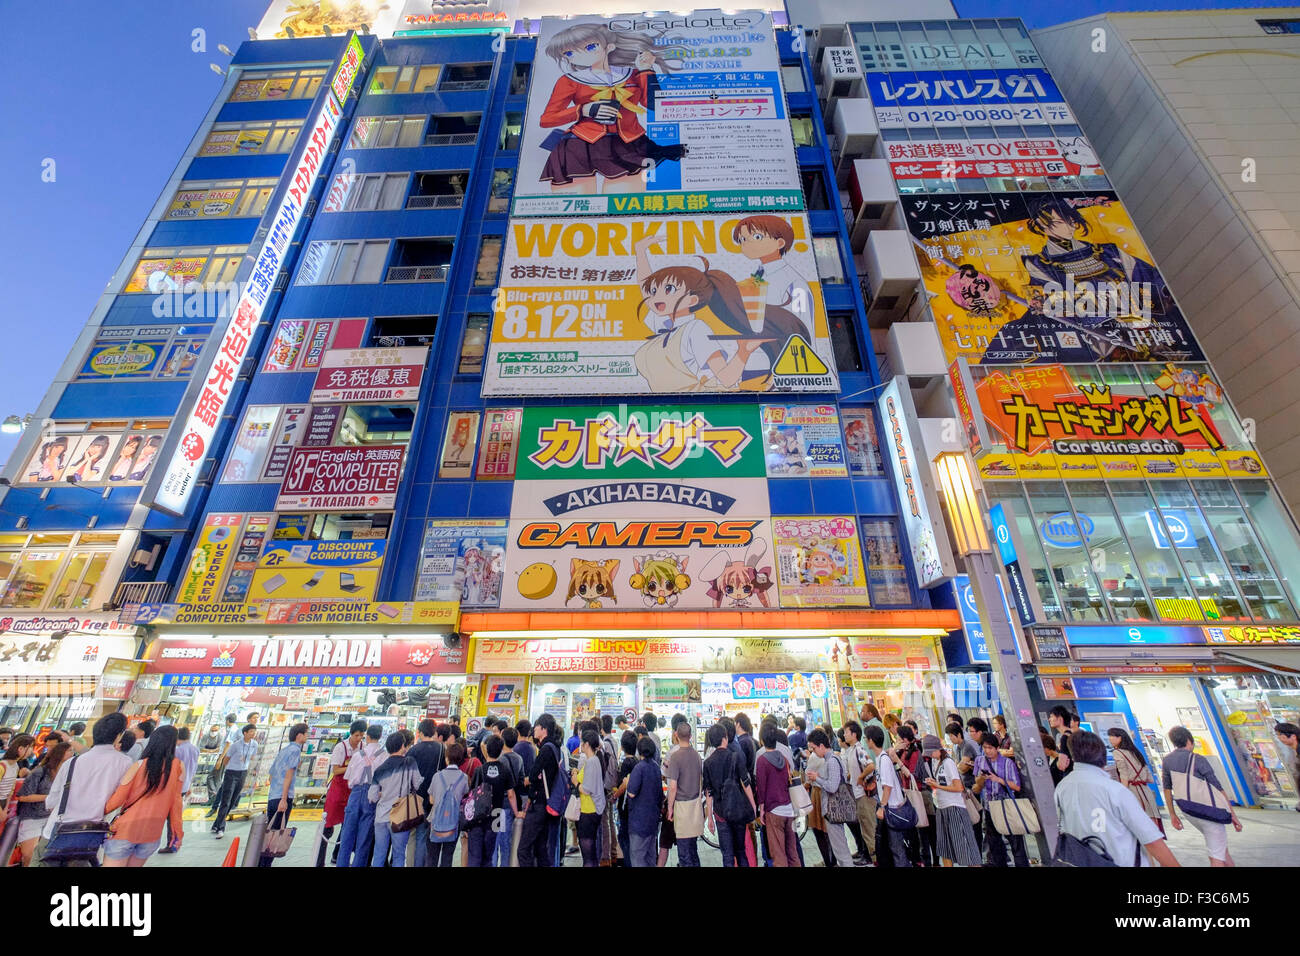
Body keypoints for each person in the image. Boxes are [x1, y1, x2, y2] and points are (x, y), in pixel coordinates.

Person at [1057, 732, 1180, 867]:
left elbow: (1061, 827)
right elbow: (1152, 841)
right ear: (1103, 757)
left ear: (1073, 757)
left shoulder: (1062, 787)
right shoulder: (1113, 789)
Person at [36, 713, 131, 866]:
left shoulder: (72, 762)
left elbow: (52, 799)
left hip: (56, 832)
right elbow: (120, 800)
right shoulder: (125, 763)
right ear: (119, 736)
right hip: (88, 836)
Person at [103, 725, 184, 867]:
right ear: (173, 743)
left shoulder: (139, 765)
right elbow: (176, 803)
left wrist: (97, 813)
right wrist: (177, 832)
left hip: (126, 830)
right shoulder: (178, 767)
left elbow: (117, 800)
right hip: (152, 833)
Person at [1161, 725, 1241, 867]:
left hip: (1188, 810)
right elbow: (1217, 787)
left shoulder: (1167, 760)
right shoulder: (1197, 759)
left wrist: (1172, 814)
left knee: (1221, 850)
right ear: (1189, 740)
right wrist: (1232, 814)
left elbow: (1167, 788)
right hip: (1208, 810)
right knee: (1216, 856)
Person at [922, 734, 982, 867]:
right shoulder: (936, 762)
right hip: (942, 808)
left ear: (938, 749)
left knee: (966, 848)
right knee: (944, 848)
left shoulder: (948, 762)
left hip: (955, 808)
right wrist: (934, 783)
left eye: (931, 752)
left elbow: (958, 787)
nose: (930, 755)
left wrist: (937, 785)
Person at [973, 733, 1029, 867]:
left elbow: (1016, 786)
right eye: (985, 747)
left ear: (997, 748)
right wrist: (982, 778)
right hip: (989, 807)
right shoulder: (979, 761)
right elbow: (977, 785)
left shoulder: (1007, 763)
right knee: (995, 843)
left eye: (990, 748)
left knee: (1015, 842)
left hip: (1006, 807)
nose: (987, 750)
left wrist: (998, 780)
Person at [807, 727, 857, 867]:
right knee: (839, 848)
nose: (813, 752)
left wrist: (818, 778)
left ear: (822, 746)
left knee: (840, 849)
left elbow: (832, 787)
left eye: (814, 748)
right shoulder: (833, 759)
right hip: (834, 810)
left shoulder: (832, 761)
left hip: (834, 810)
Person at [368, 732, 420, 867]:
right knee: (399, 854)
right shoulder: (410, 762)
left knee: (379, 853)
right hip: (400, 816)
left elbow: (372, 796)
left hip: (381, 817)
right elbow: (418, 783)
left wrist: (383, 793)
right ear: (403, 745)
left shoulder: (380, 769)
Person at [319, 719, 367, 867]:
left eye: (361, 735)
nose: (359, 738)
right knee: (328, 826)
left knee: (348, 826)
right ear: (351, 734)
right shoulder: (341, 747)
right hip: (338, 791)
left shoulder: (362, 747)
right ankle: (319, 858)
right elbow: (336, 770)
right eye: (357, 735)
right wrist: (353, 766)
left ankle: (336, 855)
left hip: (352, 791)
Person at [14, 742, 70, 865]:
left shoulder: (67, 774)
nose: (72, 753)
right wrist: (51, 797)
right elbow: (23, 796)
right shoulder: (41, 772)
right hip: (32, 817)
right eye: (69, 750)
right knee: (29, 855)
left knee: (42, 855)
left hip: (51, 817)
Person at [517, 713, 562, 867]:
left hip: (539, 805)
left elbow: (533, 775)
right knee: (540, 849)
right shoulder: (556, 748)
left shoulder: (546, 750)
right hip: (548, 804)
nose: (534, 729)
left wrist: (529, 793)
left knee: (523, 849)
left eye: (536, 726)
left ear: (543, 729)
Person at [754, 723, 801, 867]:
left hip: (774, 810)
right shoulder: (784, 758)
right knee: (792, 851)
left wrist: (761, 809)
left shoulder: (762, 760)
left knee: (778, 853)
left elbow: (761, 787)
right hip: (789, 808)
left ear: (762, 740)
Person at [468, 734, 518, 867]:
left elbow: (470, 795)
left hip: (477, 816)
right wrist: (517, 812)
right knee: (489, 854)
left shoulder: (479, 770)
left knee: (474, 854)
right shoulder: (505, 770)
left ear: (486, 749)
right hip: (496, 814)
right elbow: (511, 794)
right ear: (501, 750)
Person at [866, 724, 912, 867]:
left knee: (897, 848)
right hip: (890, 807)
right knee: (892, 847)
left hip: (893, 808)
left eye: (866, 739)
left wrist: (882, 807)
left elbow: (888, 787)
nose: (866, 742)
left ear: (871, 741)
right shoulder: (881, 758)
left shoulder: (884, 760)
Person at [1107, 727, 1162, 834]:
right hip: (1145, 790)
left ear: (1120, 738)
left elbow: (1124, 775)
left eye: (1112, 736)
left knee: (1138, 823)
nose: (1110, 739)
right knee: (1151, 820)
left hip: (1133, 791)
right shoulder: (1135, 751)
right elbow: (1148, 776)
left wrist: (1122, 792)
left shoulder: (1118, 753)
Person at [665, 719, 704, 867]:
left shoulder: (675, 757)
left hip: (681, 807)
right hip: (695, 806)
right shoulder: (696, 755)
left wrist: (670, 808)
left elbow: (673, 786)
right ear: (691, 736)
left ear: (676, 735)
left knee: (684, 852)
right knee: (693, 849)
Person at [407, 719, 444, 867]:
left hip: (414, 797)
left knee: (411, 837)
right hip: (432, 798)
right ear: (434, 732)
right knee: (423, 836)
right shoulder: (441, 749)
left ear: (420, 733)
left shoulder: (413, 750)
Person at [426, 742, 469, 867]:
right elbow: (464, 796)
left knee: (432, 857)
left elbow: (431, 800)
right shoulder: (464, 778)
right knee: (447, 857)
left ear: (446, 758)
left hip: (435, 821)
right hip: (453, 822)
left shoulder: (437, 776)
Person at [211, 723, 257, 839]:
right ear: (245, 733)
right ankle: (221, 828)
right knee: (226, 799)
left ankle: (217, 824)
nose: (253, 733)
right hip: (231, 773)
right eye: (251, 731)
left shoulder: (254, 744)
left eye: (254, 731)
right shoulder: (236, 745)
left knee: (233, 800)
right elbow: (226, 760)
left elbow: (253, 757)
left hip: (243, 773)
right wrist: (231, 768)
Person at [159, 726, 199, 855]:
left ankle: (172, 843)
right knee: (175, 815)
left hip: (175, 787)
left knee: (171, 817)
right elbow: (194, 769)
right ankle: (174, 842)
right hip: (185, 785)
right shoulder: (195, 749)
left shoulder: (178, 750)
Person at [624, 735, 662, 867]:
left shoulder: (639, 768)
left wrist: (627, 782)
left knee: (638, 857)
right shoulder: (656, 767)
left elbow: (632, 793)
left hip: (639, 820)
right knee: (650, 856)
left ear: (639, 751)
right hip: (653, 819)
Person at [841, 720, 875, 863]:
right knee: (865, 829)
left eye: (846, 732)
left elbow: (870, 766)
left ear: (854, 734)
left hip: (864, 795)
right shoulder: (852, 750)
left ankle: (874, 859)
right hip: (858, 794)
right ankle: (869, 857)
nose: (844, 735)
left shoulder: (859, 749)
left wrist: (860, 777)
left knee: (869, 830)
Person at [572, 729, 606, 867]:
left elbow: (586, 789)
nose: (580, 745)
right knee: (590, 852)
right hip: (591, 809)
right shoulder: (592, 760)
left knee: (588, 854)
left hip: (589, 810)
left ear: (586, 744)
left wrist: (575, 781)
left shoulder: (592, 761)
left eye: (582, 742)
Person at [498, 727, 525, 867]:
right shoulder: (519, 759)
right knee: (507, 843)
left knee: (496, 844)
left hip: (500, 805)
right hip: (512, 805)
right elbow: (521, 782)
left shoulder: (500, 760)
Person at [205, 713, 239, 817]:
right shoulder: (233, 729)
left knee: (213, 776)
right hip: (226, 755)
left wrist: (220, 759)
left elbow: (228, 744)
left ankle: (214, 796)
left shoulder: (233, 730)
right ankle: (214, 796)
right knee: (217, 777)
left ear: (228, 720)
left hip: (225, 756)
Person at [613, 730, 638, 865]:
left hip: (625, 806)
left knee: (624, 838)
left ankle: (628, 863)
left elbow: (623, 784)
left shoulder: (626, 763)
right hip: (634, 806)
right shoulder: (636, 762)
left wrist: (615, 795)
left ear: (622, 747)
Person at [0, 734, 34, 823]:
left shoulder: (15, 766)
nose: (32, 750)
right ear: (20, 748)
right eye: (30, 747)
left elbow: (11, 790)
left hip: (3, 804)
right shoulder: (2, 766)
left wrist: (5, 808)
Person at [1276, 722, 1300, 813]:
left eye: (1281, 735)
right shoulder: (1294, 751)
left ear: (1293, 736)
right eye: (1278, 735)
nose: (1279, 738)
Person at [1047, 706, 1074, 779]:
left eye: (1051, 716)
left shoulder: (1065, 737)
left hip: (1070, 775)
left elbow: (1061, 765)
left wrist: (1059, 761)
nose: (1049, 719)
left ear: (1060, 719)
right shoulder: (1075, 734)